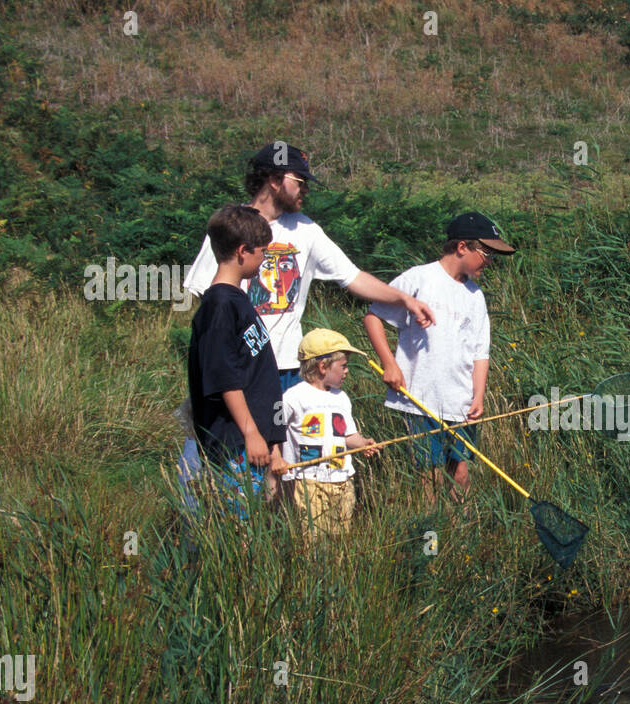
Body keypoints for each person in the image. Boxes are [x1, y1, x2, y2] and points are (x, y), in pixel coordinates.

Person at [183, 142, 437, 392]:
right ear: (274, 179)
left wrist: (404, 300)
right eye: (300, 182)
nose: (306, 190)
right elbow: (207, 299)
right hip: (239, 364)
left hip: (287, 366)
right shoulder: (230, 227)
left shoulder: (306, 231)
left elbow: (353, 277)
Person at [364, 212, 515, 501]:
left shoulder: (476, 295)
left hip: (461, 404)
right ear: (462, 247)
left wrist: (478, 396)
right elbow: (373, 318)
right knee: (428, 476)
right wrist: (390, 364)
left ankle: (462, 535)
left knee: (461, 473)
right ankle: (429, 534)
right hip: (421, 401)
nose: (491, 261)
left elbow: (480, 352)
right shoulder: (419, 278)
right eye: (487, 253)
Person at [187, 204, 289, 518]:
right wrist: (250, 433)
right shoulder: (218, 305)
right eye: (262, 252)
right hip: (234, 442)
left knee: (254, 521)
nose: (264, 260)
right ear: (243, 251)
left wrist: (272, 441)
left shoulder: (238, 300)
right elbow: (224, 377)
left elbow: (257, 375)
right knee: (237, 525)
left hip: (255, 440)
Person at [281, 329, 378, 537]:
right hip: (308, 481)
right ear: (323, 366)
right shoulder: (292, 397)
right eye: (343, 366)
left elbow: (348, 435)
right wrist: (275, 459)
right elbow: (273, 431)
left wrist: (363, 443)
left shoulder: (341, 398)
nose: (347, 371)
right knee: (312, 539)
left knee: (340, 538)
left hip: (342, 480)